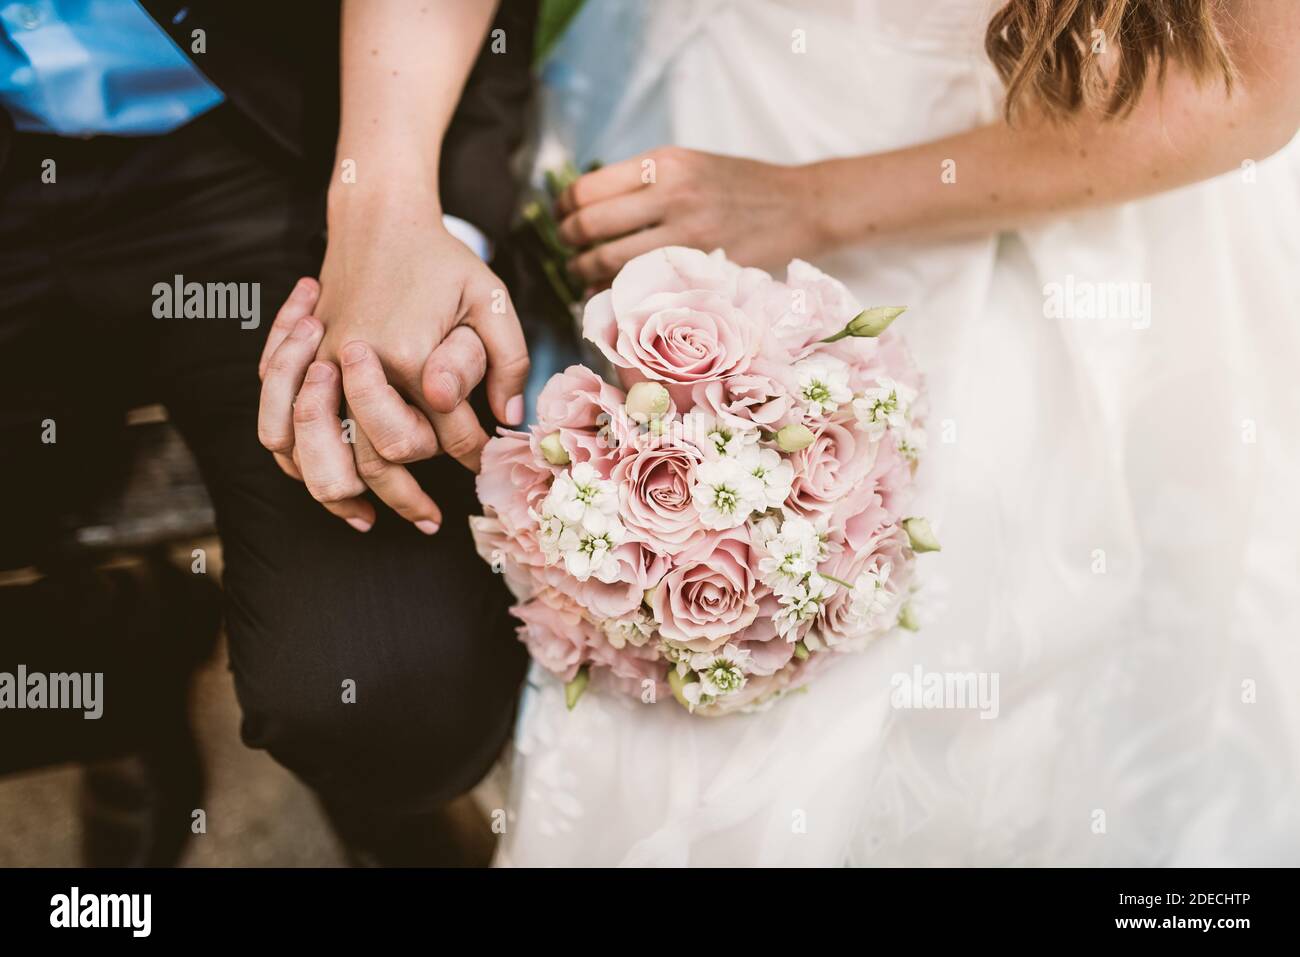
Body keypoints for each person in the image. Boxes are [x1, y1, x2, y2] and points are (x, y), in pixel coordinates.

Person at [491, 0, 1300, 864]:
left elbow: (1255, 85)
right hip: (674, 86)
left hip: (999, 178)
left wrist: (811, 202)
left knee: (833, 720)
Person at [0, 0, 535, 865]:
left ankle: (369, 796)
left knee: (388, 693)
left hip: (269, 133)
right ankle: (120, 678)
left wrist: (391, 214)